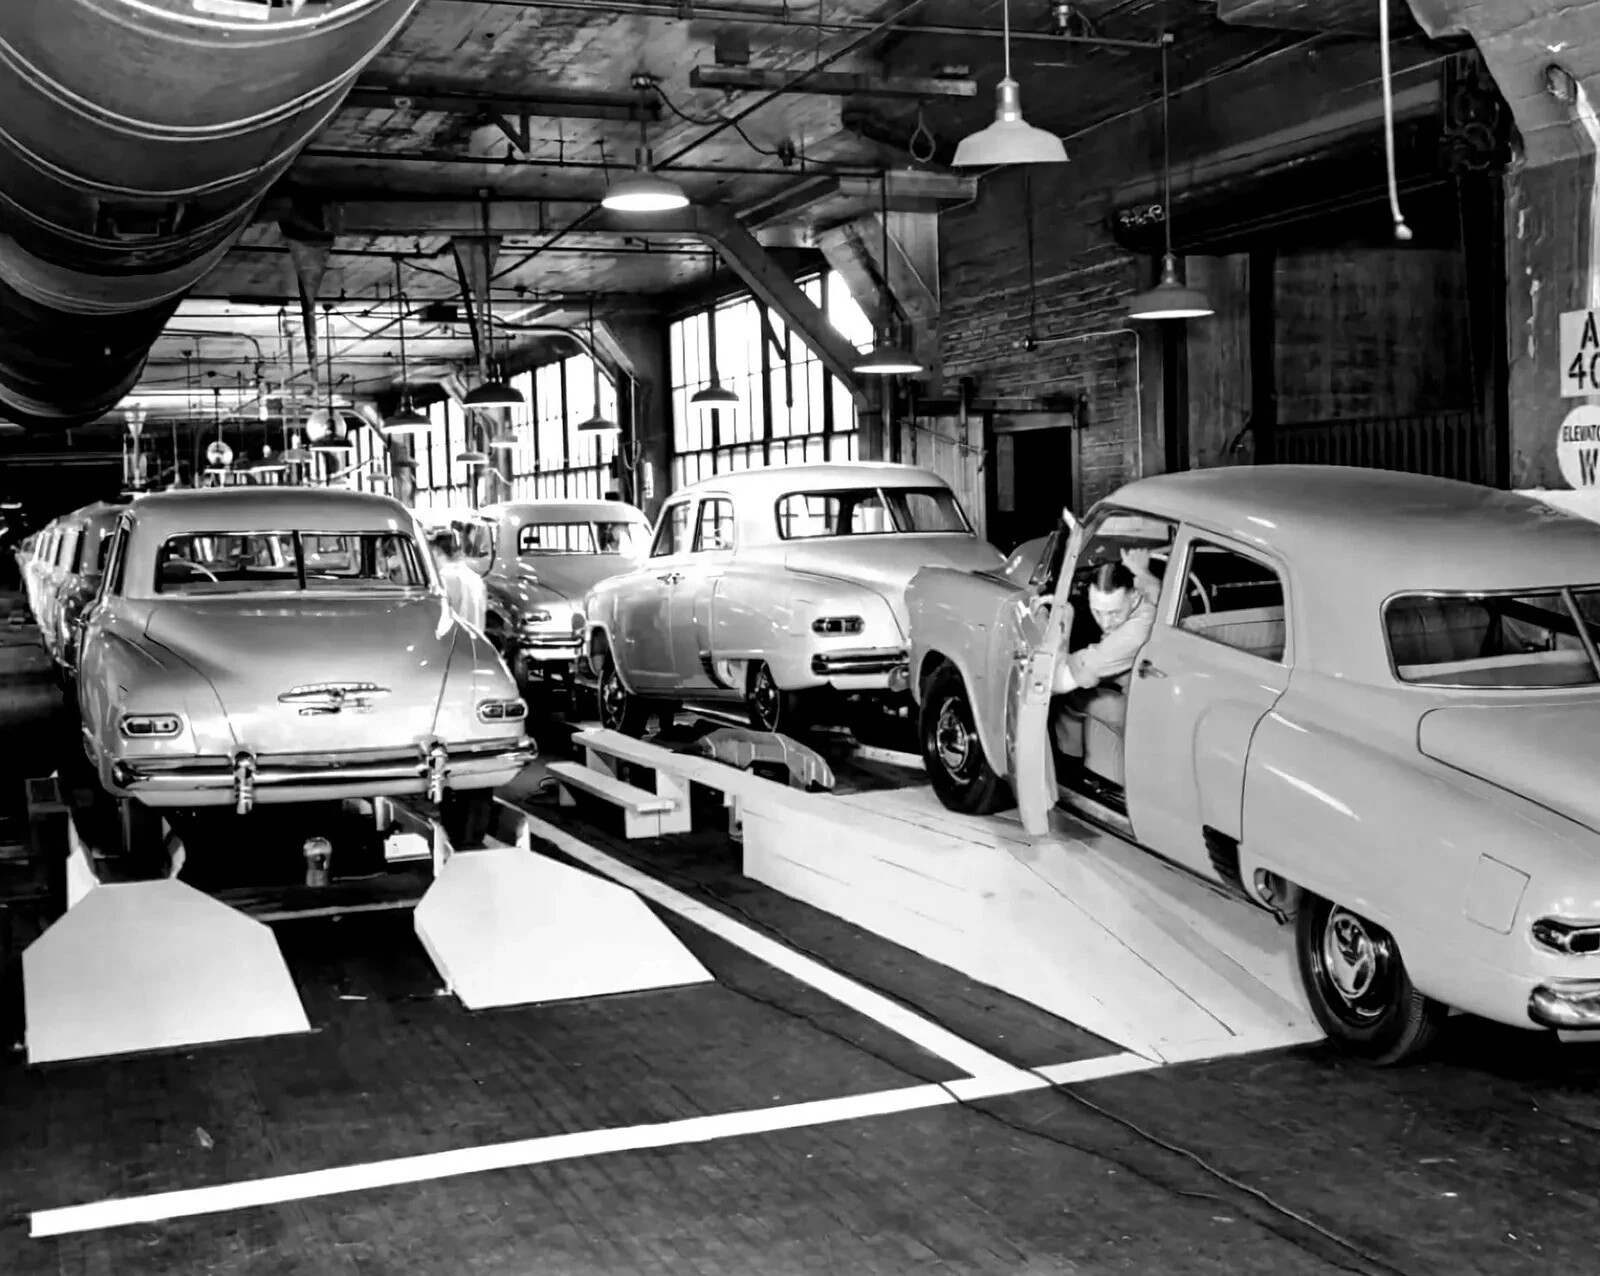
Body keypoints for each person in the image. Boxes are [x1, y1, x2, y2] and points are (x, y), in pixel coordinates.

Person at [1049, 547, 1162, 782]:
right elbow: (1154, 587)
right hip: (1154, 692)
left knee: (1071, 696)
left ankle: (1070, 770)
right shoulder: (1148, 595)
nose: (1105, 622)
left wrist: (1064, 623)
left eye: (1113, 613)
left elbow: (1056, 682)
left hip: (1147, 716)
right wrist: (1141, 569)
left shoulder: (1133, 634)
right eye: (1096, 611)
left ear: (1133, 597)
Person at [432, 528, 487, 632]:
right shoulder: (476, 578)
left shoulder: (443, 579)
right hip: (477, 639)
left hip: (457, 640)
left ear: (436, 550)